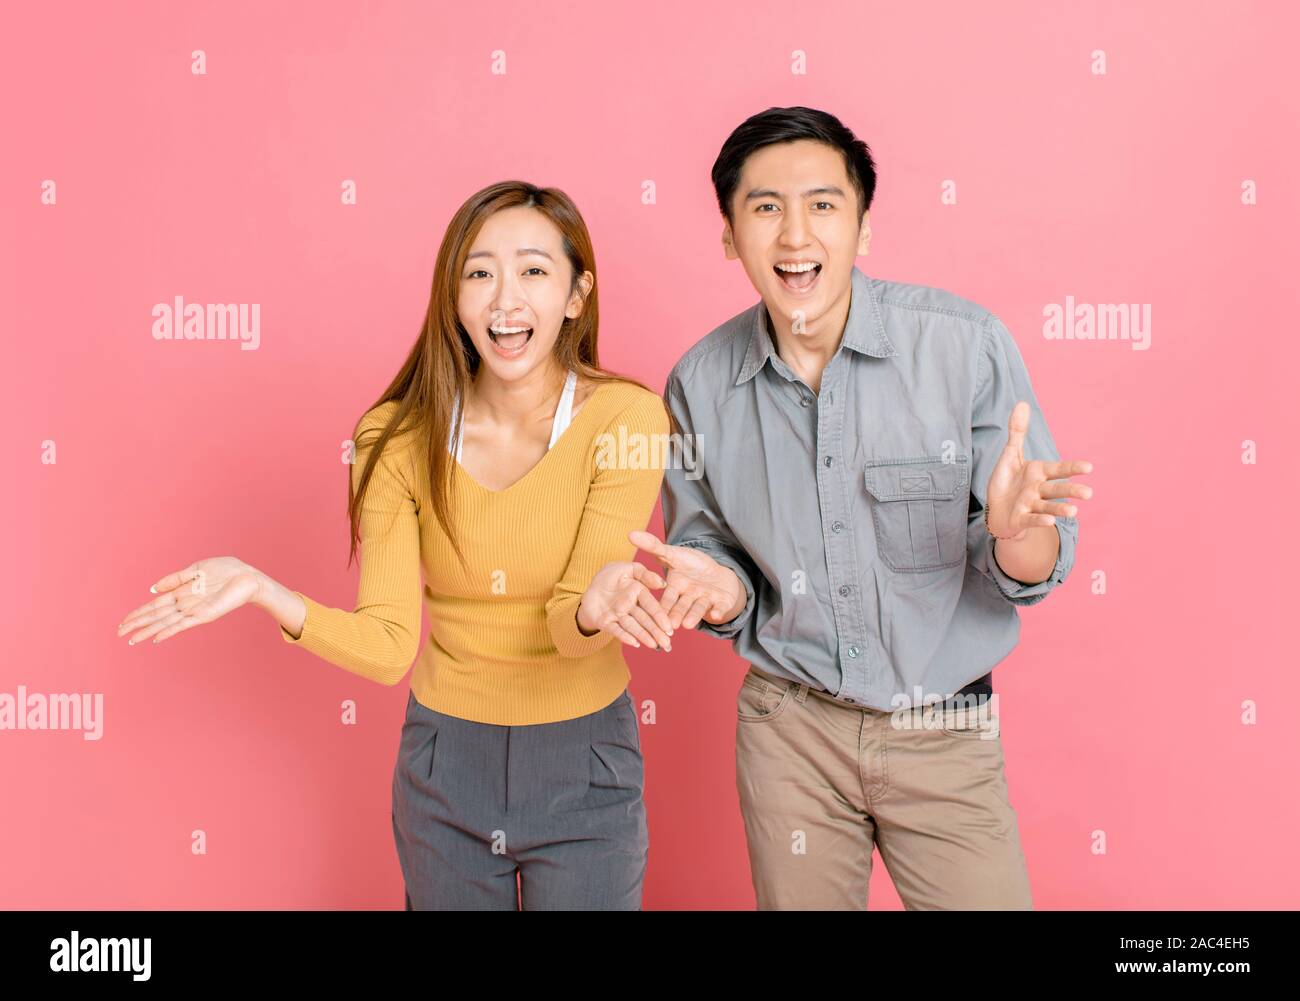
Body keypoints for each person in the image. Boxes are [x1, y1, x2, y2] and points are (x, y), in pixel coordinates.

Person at [116, 180, 674, 910]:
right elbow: (386, 646)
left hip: (585, 760)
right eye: (479, 273)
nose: (505, 298)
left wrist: (595, 609)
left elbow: (571, 627)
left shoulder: (626, 419)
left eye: (534, 270)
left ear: (576, 294)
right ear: (453, 295)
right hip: (446, 761)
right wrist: (262, 589)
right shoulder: (393, 437)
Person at [632, 106, 1095, 909]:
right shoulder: (699, 384)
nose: (795, 235)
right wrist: (717, 590)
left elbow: (1024, 564)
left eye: (823, 204)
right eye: (765, 207)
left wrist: (1020, 532)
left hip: (942, 725)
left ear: (864, 227)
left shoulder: (962, 347)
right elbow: (718, 562)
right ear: (729, 234)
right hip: (790, 731)